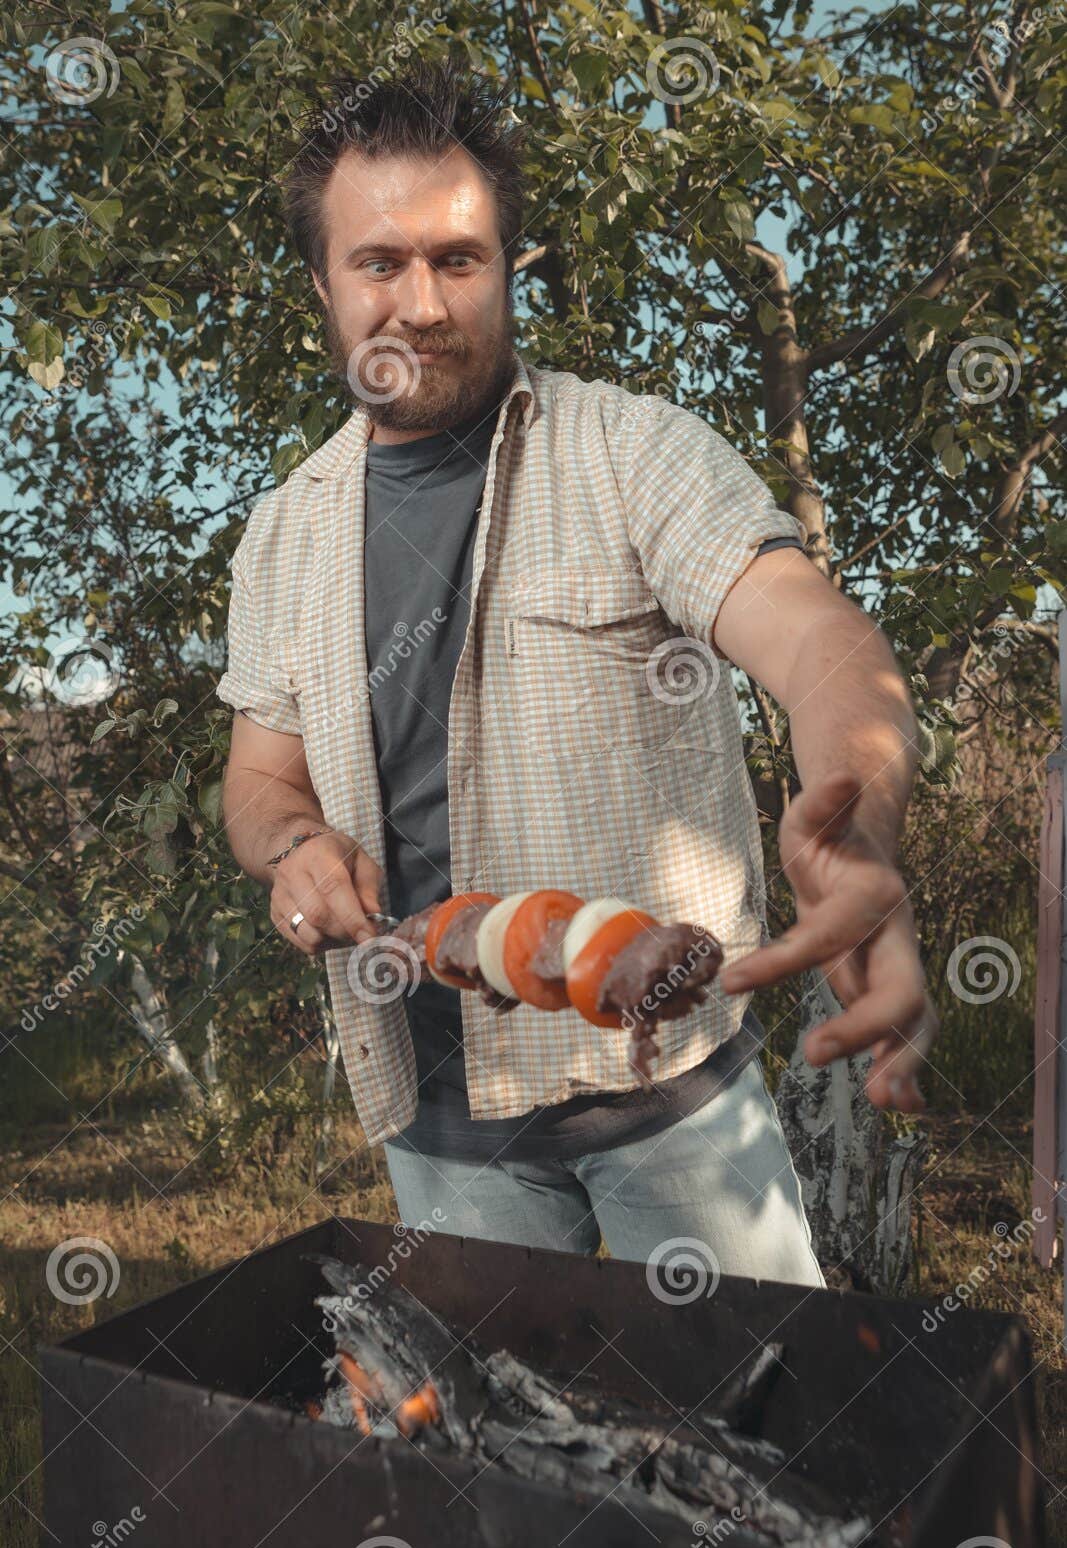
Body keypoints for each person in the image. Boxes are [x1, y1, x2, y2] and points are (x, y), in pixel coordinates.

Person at [217, 60, 938, 1290]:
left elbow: (820, 647)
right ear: (322, 287)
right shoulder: (283, 532)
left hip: (672, 1106)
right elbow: (259, 779)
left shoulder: (632, 452)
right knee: (505, 1461)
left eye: (461, 258)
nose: (425, 302)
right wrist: (290, 847)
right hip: (439, 1124)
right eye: (379, 263)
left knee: (763, 1435)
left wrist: (858, 822)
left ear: (507, 265)